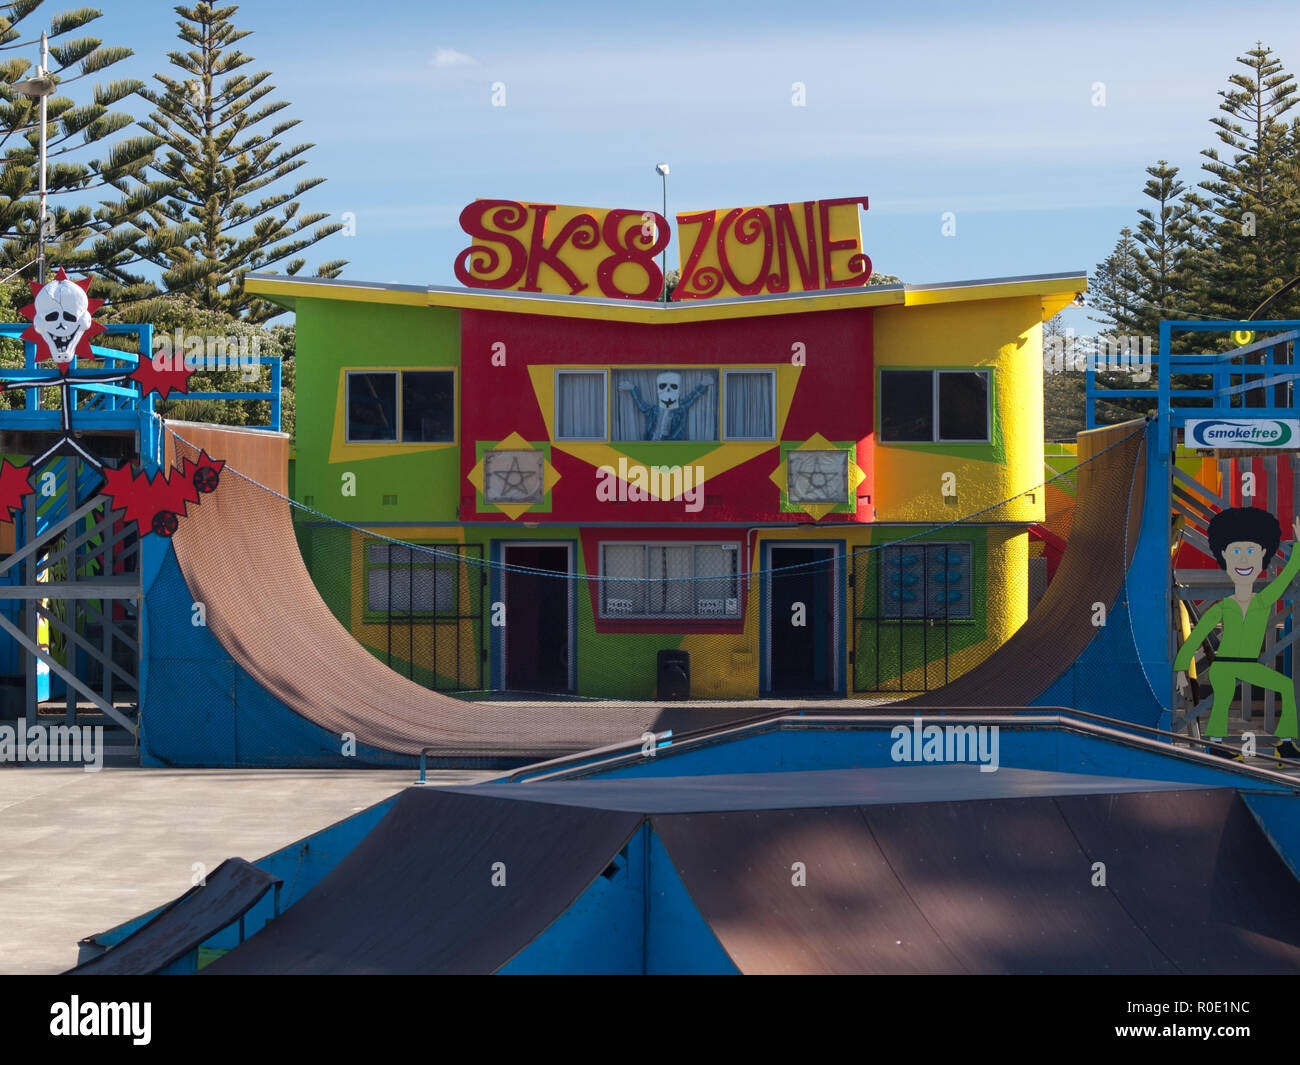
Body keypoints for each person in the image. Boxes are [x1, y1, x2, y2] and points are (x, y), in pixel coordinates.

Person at [1174, 507, 1300, 763]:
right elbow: (1197, 636)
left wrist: (1298, 547)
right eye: (1236, 553)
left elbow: (1288, 574)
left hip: (1245, 665)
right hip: (1227, 665)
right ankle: (1218, 747)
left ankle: (1284, 744)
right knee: (1223, 697)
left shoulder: (1261, 600)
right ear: (1226, 558)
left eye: (1251, 553)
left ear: (1262, 555)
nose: (1244, 561)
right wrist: (1179, 669)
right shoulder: (1225, 605)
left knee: (1284, 687)